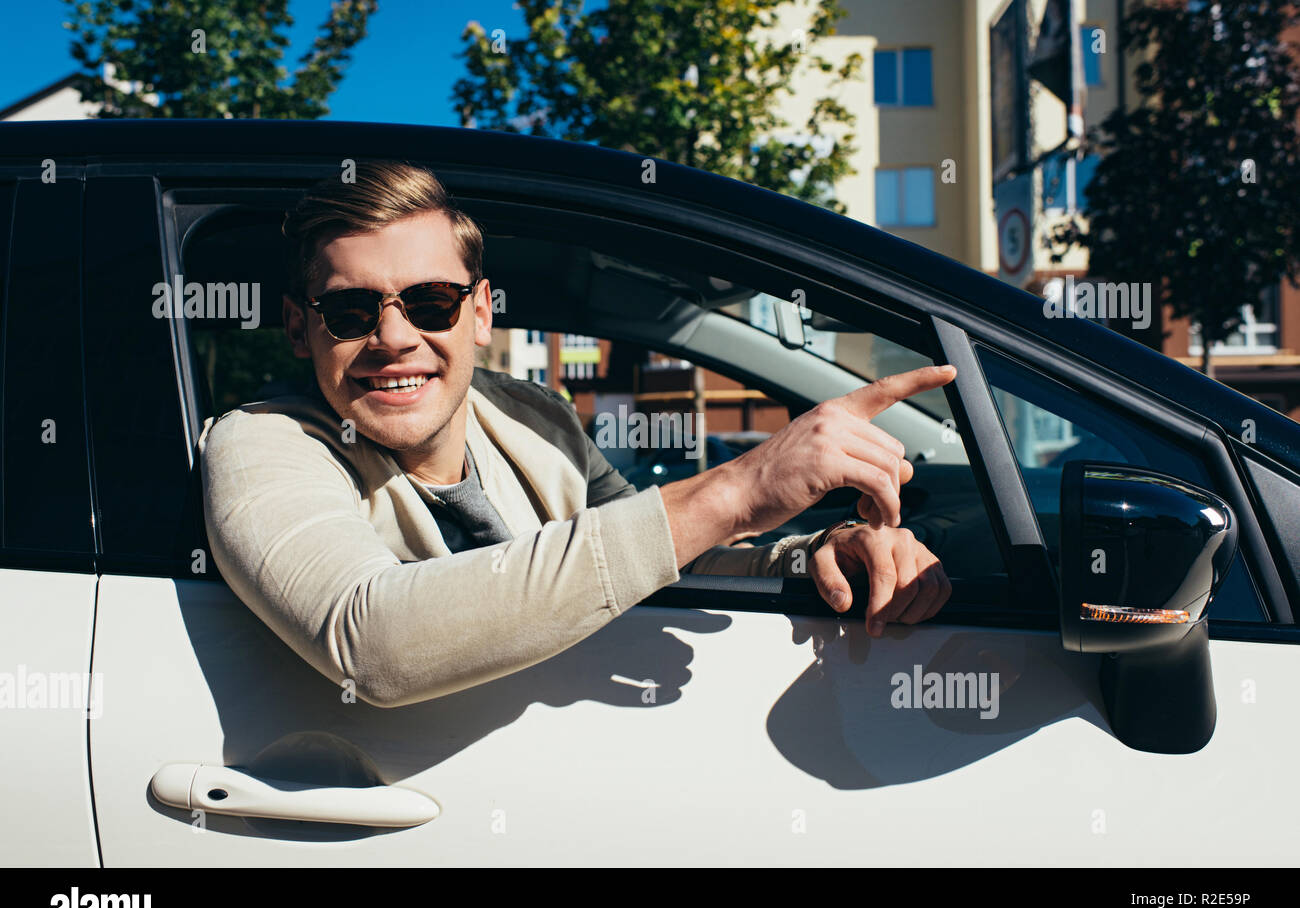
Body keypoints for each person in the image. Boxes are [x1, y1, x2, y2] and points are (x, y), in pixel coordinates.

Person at [198, 161, 955, 708]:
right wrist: (739, 485)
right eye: (351, 312)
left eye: (431, 302)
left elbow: (665, 553)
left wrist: (818, 558)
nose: (394, 337)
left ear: (483, 313)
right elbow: (374, 643)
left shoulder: (538, 418)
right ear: (300, 328)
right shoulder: (260, 443)